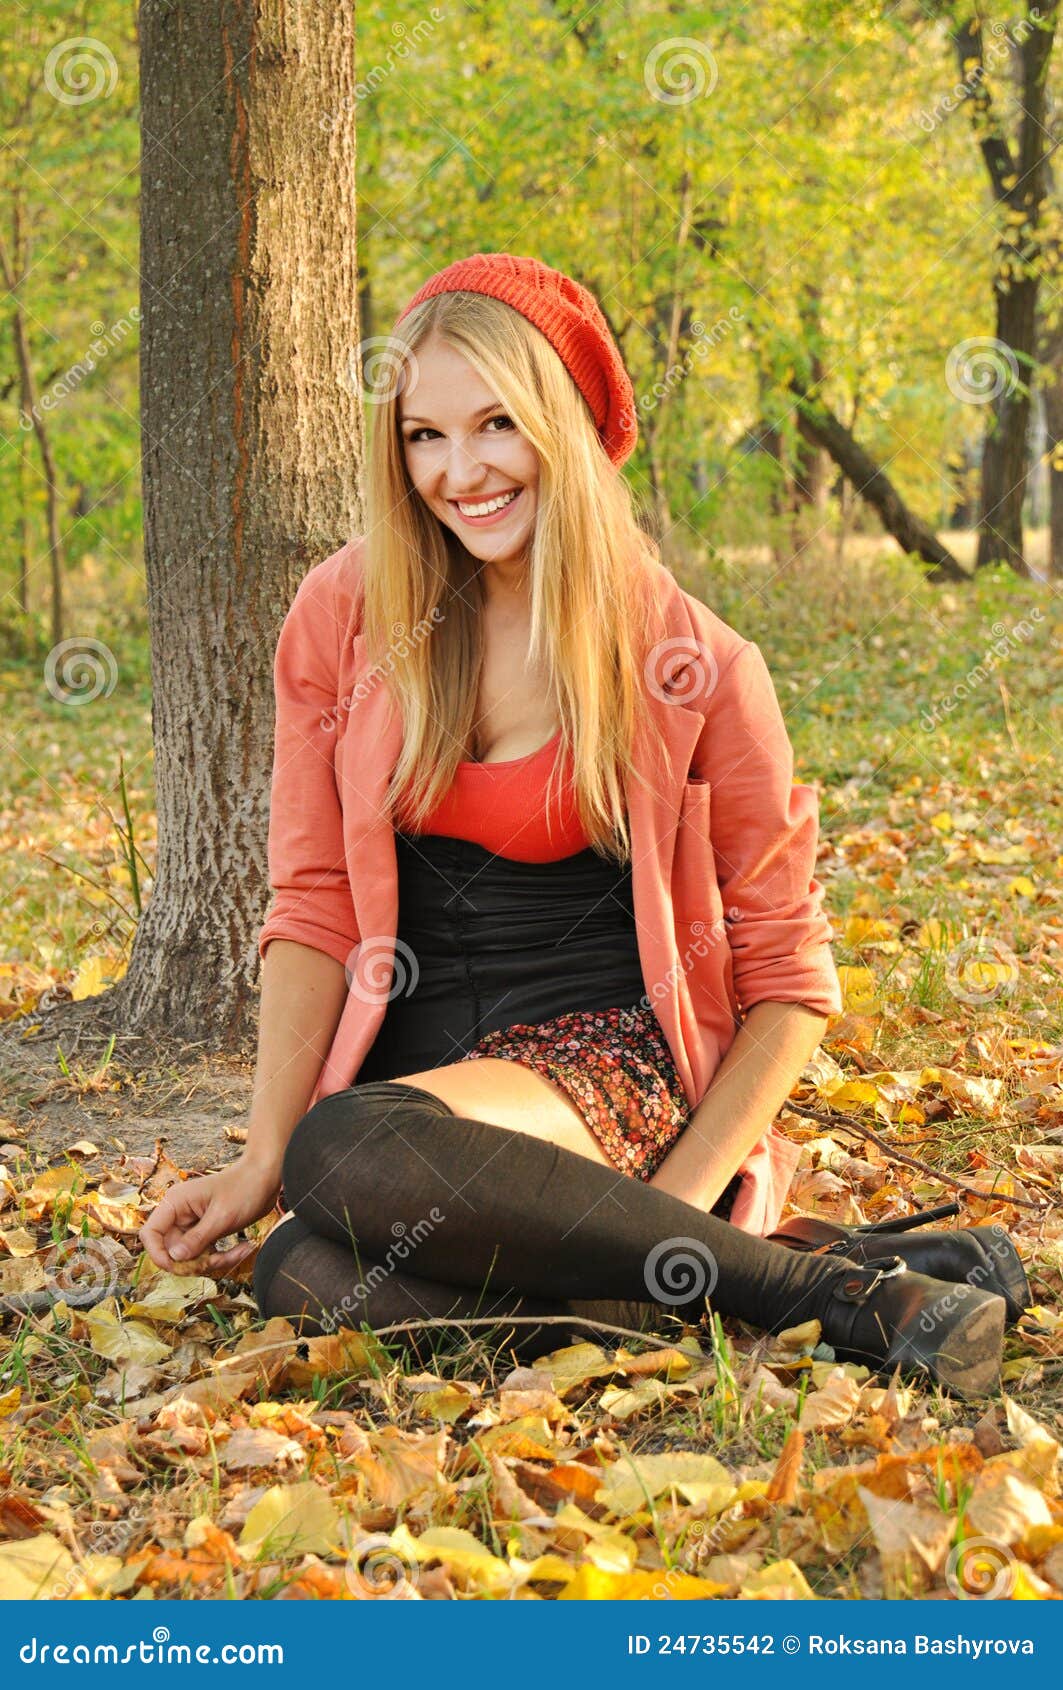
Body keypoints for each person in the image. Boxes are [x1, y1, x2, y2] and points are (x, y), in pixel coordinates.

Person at [140, 252, 1014, 1398]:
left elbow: (790, 980)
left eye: (496, 423)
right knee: (308, 1274)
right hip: (417, 1082)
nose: (460, 473)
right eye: (423, 436)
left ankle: (831, 1302)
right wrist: (259, 1156)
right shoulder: (345, 617)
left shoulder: (693, 662)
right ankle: (832, 1270)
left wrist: (678, 1203)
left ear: (567, 421)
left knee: (346, 1149)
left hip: (603, 1059)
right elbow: (311, 903)